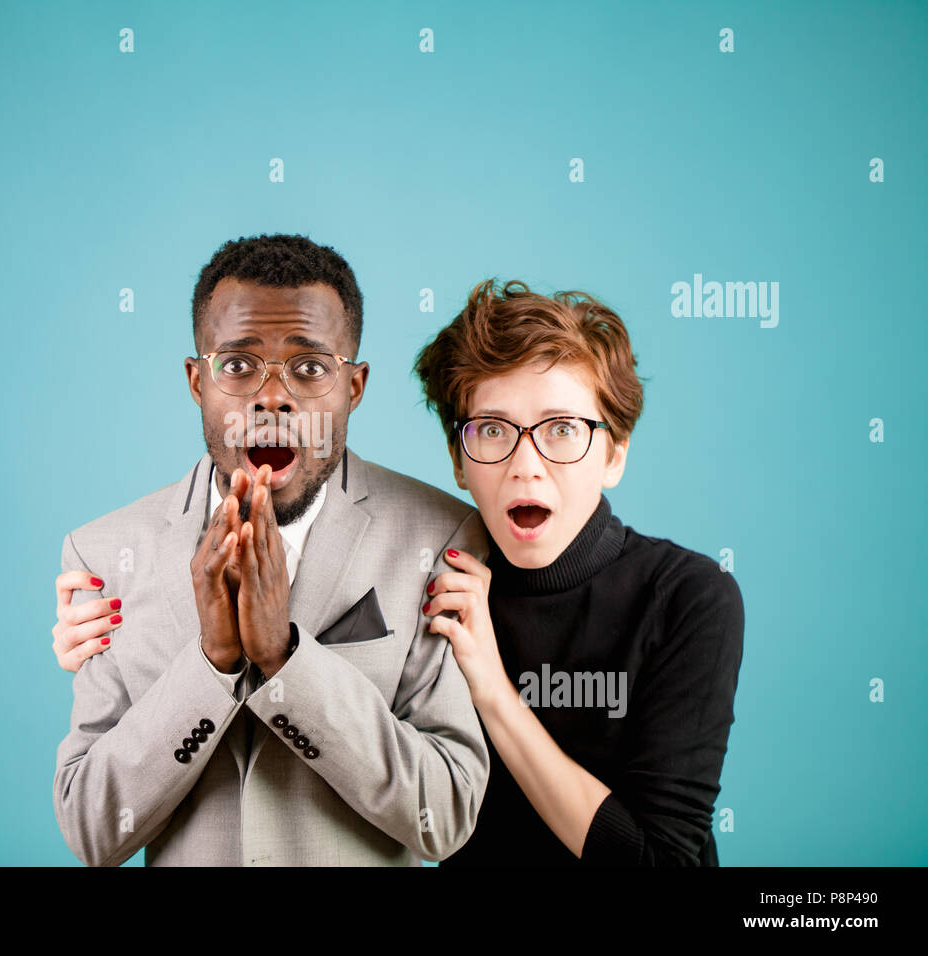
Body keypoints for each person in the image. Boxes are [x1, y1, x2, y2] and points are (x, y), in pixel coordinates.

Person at [51, 234, 491, 866]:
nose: (273, 396)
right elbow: (93, 831)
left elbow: (444, 815)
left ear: (355, 386)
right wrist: (212, 664)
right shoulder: (102, 554)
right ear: (196, 380)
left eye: (310, 367)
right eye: (237, 365)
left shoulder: (440, 538)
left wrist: (289, 664)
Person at [413, 278, 745, 866]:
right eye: (492, 430)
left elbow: (662, 862)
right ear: (458, 461)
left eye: (562, 429)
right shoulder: (431, 587)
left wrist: (492, 688)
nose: (525, 466)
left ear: (614, 454)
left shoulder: (689, 596)